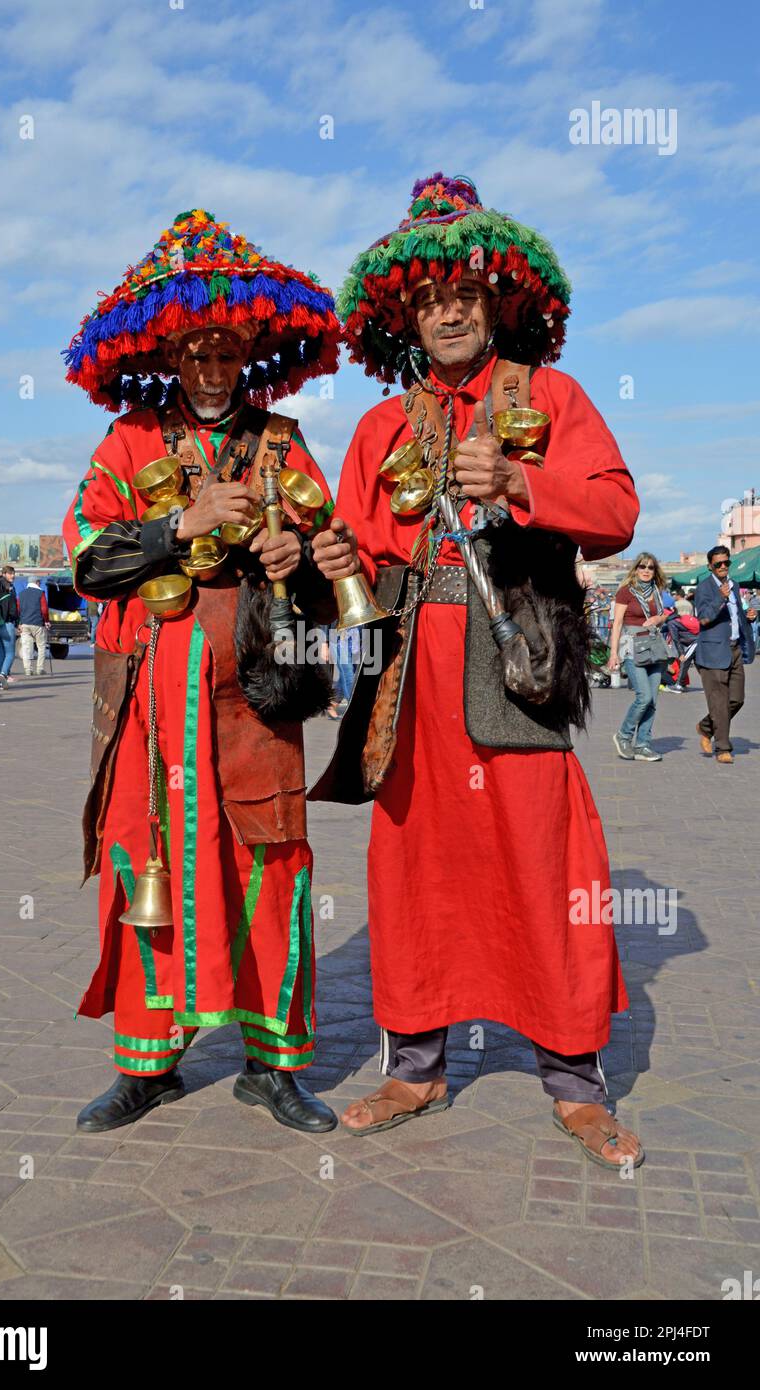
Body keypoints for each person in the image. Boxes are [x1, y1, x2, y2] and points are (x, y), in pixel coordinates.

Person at [311, 173, 643, 1169]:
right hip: (409, 688)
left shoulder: (544, 397)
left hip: (518, 676)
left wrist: (517, 479)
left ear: (496, 303)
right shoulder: (379, 428)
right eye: (427, 299)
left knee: (547, 863)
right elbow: (364, 557)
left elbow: (618, 509)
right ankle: (415, 1064)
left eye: (464, 294)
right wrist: (336, 562)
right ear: (404, 314)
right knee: (414, 873)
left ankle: (577, 1082)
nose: (447, 311)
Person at [62, 202, 342, 1135]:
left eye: (229, 352)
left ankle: (274, 1067)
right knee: (146, 864)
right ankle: (147, 1067)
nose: (214, 367)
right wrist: (178, 527)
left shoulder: (283, 444)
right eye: (198, 353)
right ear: (172, 357)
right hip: (155, 697)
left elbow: (342, 570)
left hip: (259, 696)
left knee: (271, 861)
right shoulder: (131, 442)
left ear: (247, 356)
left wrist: (297, 562)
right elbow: (86, 561)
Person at [693, 545, 757, 764]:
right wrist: (720, 598)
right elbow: (703, 619)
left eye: (726, 563)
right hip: (712, 651)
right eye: (718, 563)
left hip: (735, 648)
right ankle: (722, 748)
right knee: (719, 702)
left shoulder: (734, 585)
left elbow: (734, 615)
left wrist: (748, 617)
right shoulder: (704, 588)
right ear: (710, 565)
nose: (722, 567)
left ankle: (705, 726)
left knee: (737, 699)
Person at [608, 553, 672, 755]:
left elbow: (664, 614)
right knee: (643, 696)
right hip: (631, 646)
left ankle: (642, 744)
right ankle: (624, 735)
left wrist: (657, 620)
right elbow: (617, 623)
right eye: (642, 566)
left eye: (650, 567)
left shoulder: (657, 591)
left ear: (655, 571)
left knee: (652, 699)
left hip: (653, 647)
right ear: (636, 569)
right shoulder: (626, 592)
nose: (646, 570)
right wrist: (613, 653)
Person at [18, 577, 50, 675]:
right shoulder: (41, 593)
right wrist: (47, 621)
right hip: (38, 623)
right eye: (39, 582)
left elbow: (18, 609)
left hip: (25, 623)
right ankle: (40, 668)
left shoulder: (22, 594)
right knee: (41, 646)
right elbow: (44, 609)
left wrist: (20, 622)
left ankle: (28, 669)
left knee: (27, 647)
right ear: (37, 582)